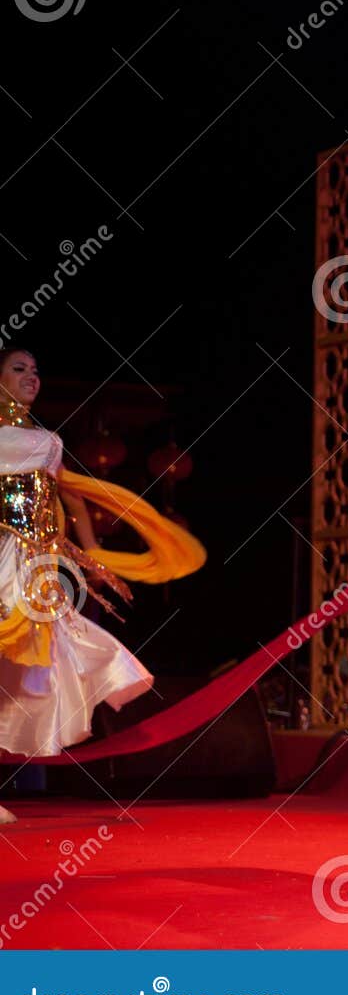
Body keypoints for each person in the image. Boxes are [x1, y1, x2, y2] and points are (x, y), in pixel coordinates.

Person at [0, 348, 205, 823]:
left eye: (35, 368)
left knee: (34, 671)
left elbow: (69, 496)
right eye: (18, 369)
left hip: (36, 569)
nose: (32, 376)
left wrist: (89, 556)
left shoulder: (47, 441)